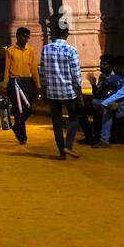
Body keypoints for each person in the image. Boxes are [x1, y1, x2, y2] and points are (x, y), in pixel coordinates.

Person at [39, 21, 83, 160]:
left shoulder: (46, 49)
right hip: (69, 91)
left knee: (56, 121)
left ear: (55, 32)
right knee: (74, 117)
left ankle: (61, 150)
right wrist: (79, 90)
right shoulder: (71, 50)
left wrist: (44, 89)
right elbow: (75, 74)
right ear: (66, 33)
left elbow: (43, 72)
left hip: (52, 92)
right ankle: (68, 145)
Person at [0, 27, 41, 145]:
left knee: (28, 109)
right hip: (14, 82)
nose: (26, 39)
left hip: (28, 82)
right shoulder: (10, 51)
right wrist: (4, 85)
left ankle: (17, 126)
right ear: (17, 36)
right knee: (18, 110)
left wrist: (38, 85)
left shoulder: (31, 51)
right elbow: (7, 69)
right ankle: (22, 137)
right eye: (24, 36)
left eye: (28, 37)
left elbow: (34, 69)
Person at [78, 54, 122, 145]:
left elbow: (111, 96)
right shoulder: (102, 76)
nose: (101, 66)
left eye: (105, 64)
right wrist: (93, 84)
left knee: (97, 109)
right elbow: (97, 94)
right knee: (81, 109)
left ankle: (97, 137)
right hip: (102, 101)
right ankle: (89, 136)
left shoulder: (114, 77)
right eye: (101, 64)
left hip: (111, 103)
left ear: (111, 66)